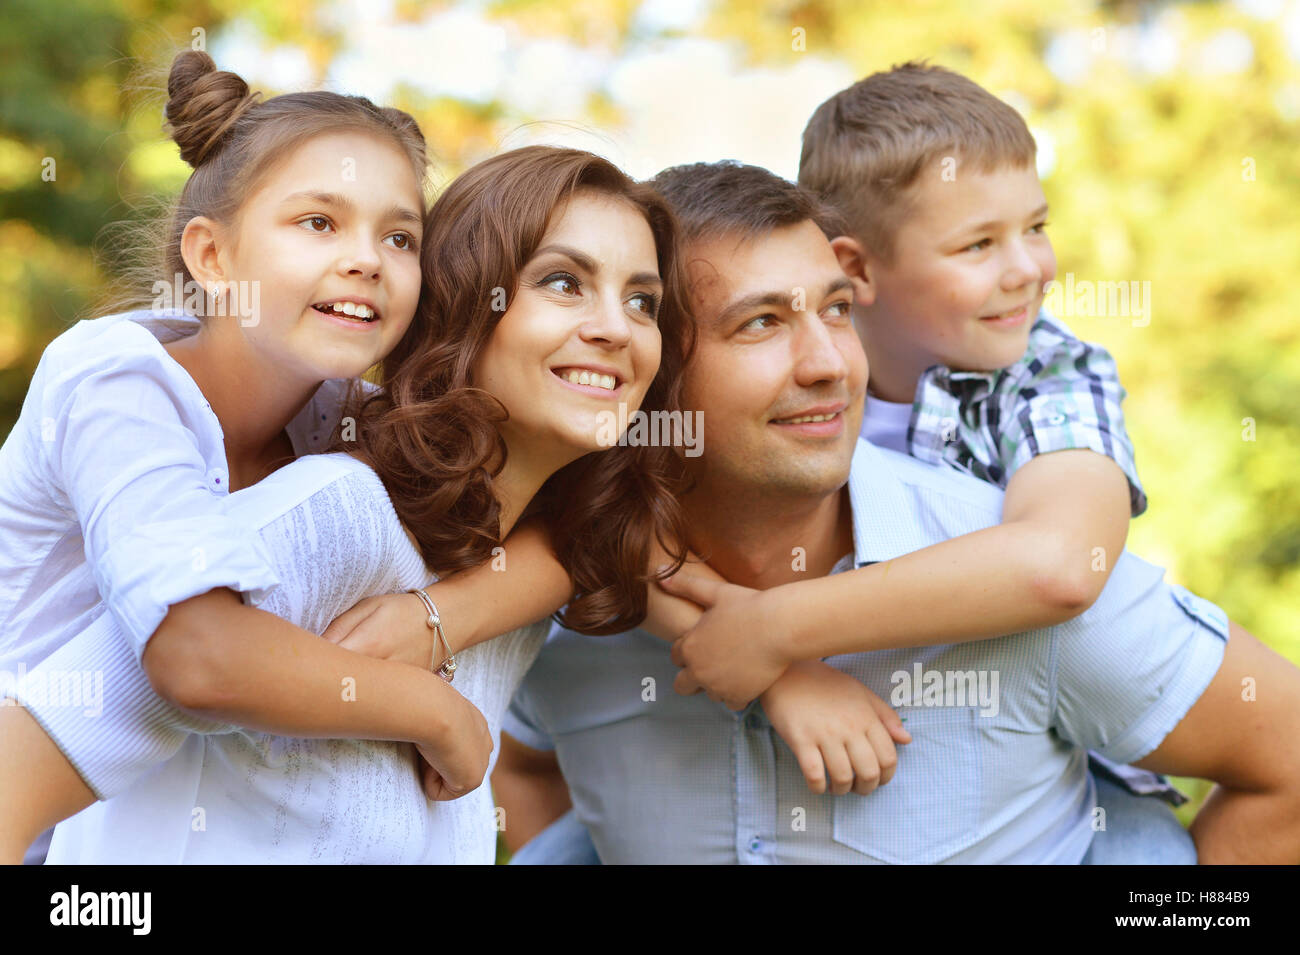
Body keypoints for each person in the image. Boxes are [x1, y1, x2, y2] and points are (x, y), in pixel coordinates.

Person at [493, 162, 1300, 864]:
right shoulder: (560, 602)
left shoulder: (1005, 572)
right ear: (651, 365)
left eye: (837, 310)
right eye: (763, 322)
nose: (829, 364)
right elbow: (522, 763)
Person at [3, 142, 699, 864]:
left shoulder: (526, 568)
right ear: (461, 304)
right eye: (563, 282)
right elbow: (16, 775)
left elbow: (644, 564)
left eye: (641, 300)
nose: (616, 328)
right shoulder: (333, 516)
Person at [658, 63, 1254, 862]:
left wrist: (774, 632)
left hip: (1077, 755)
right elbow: (609, 529)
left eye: (1035, 228)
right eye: (979, 243)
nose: (1028, 268)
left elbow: (1062, 566)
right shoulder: (806, 375)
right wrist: (781, 675)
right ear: (857, 268)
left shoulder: (1049, 374)